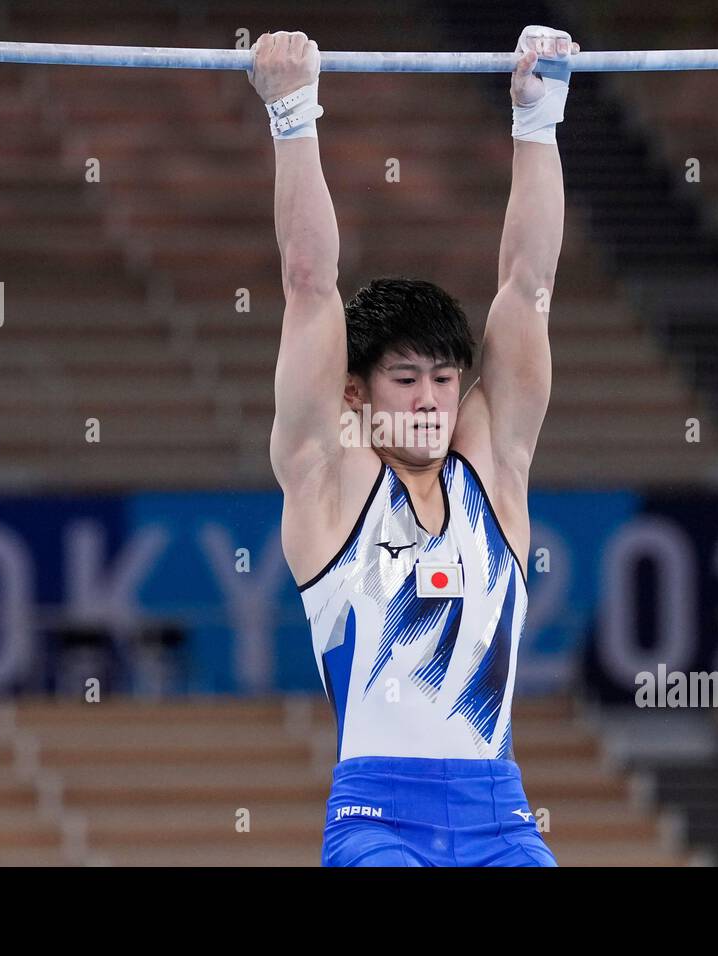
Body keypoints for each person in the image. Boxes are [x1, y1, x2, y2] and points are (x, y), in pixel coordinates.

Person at [248, 25, 578, 866]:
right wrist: (294, 113)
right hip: (379, 821)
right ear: (356, 393)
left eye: (443, 379)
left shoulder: (492, 471)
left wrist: (538, 120)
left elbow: (528, 285)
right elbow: (307, 285)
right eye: (405, 380)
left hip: (504, 818)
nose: (431, 401)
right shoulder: (333, 480)